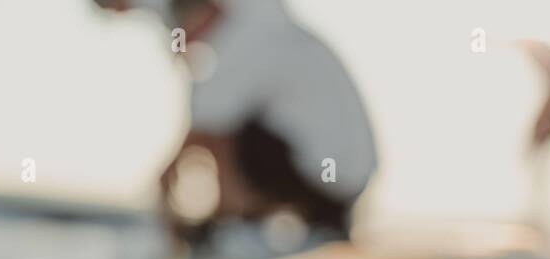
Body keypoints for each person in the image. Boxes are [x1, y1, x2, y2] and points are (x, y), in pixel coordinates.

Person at [95, 0, 379, 243]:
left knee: (227, 134)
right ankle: (256, 224)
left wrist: (163, 191)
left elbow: (204, 134)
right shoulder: (266, 27)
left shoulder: (241, 41)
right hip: (340, 188)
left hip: (327, 184)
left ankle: (237, 226)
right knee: (228, 126)